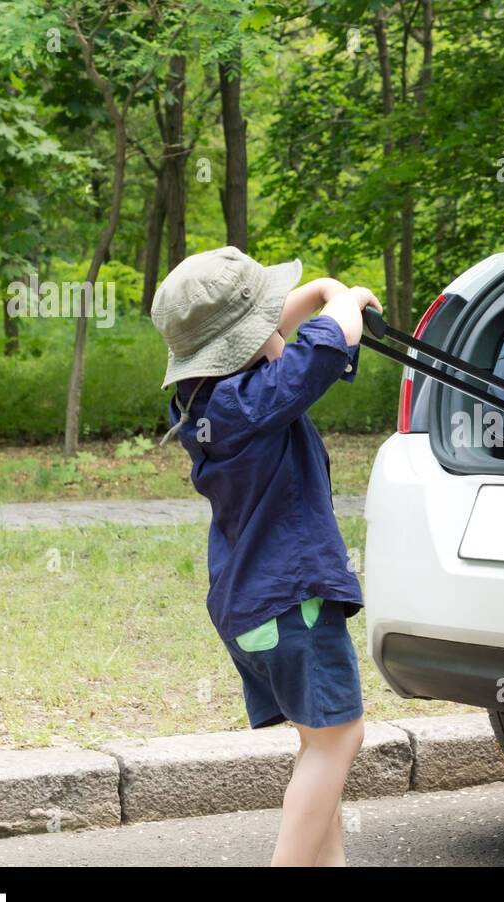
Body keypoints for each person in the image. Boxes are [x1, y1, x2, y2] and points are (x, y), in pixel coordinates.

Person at [150, 245, 378, 866]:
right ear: (249, 344)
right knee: (340, 738)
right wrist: (345, 300)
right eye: (269, 324)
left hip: (249, 608)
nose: (281, 327)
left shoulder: (202, 403)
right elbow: (323, 351)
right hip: (291, 602)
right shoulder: (259, 399)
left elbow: (281, 336)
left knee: (317, 740)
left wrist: (317, 291)